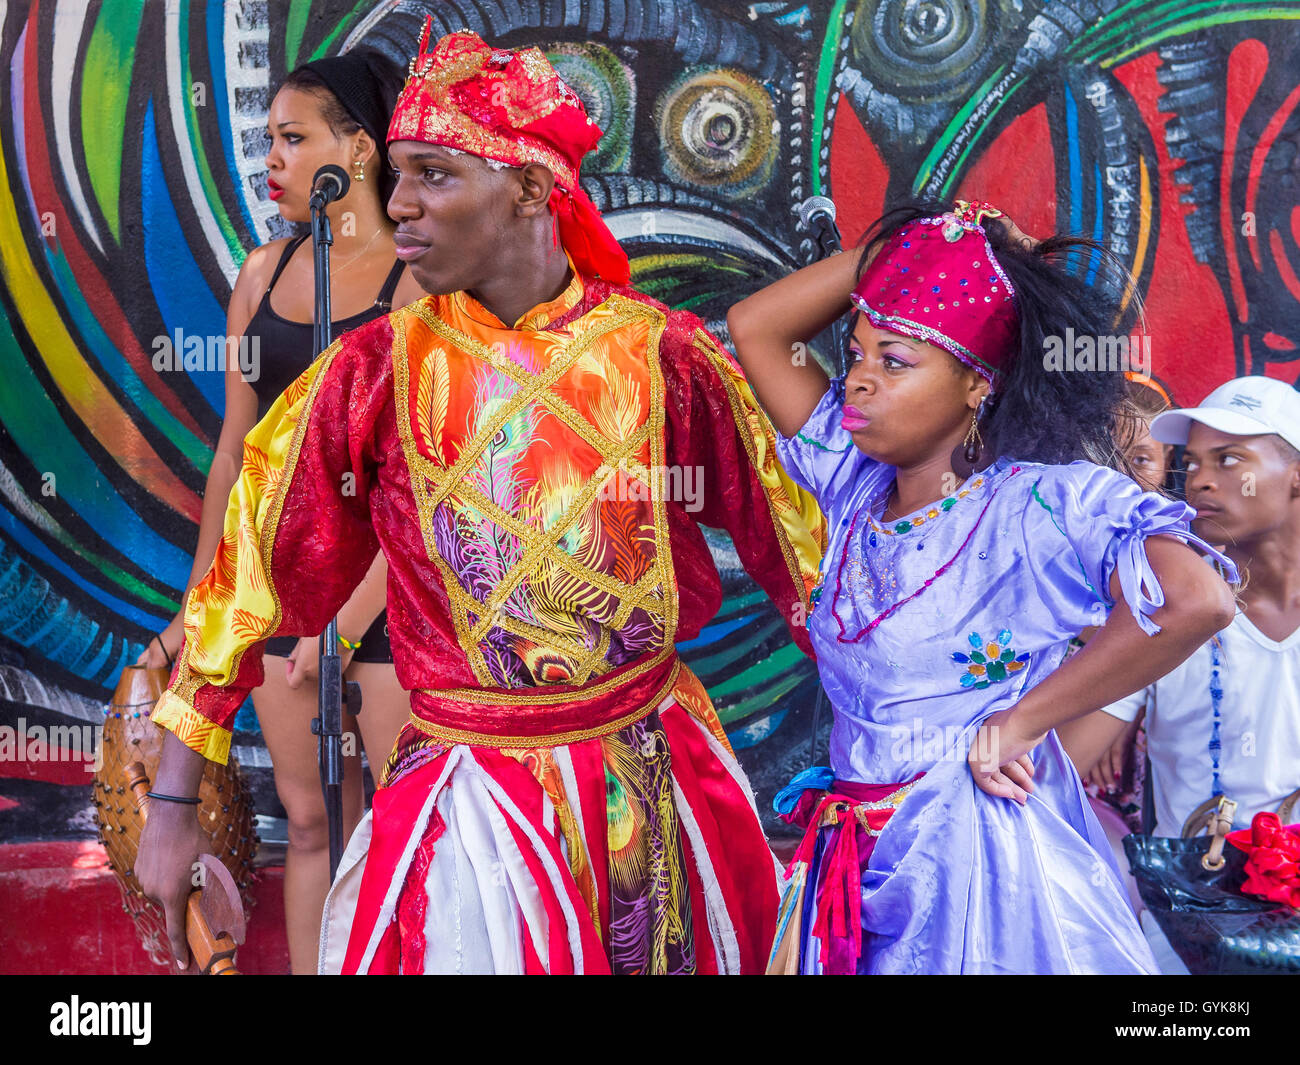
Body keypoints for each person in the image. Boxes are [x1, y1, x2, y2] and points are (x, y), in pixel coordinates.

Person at [136, 26, 825, 975]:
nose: (401, 201)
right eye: (399, 172)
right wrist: (175, 802)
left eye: (433, 175)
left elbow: (801, 554)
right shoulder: (370, 373)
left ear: (534, 190)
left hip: (651, 788)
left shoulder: (663, 355)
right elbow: (252, 563)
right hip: (468, 800)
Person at [727, 199, 1238, 974]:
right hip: (860, 858)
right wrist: (915, 245)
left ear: (976, 383)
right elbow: (759, 326)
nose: (858, 382)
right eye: (858, 353)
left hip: (978, 868)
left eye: (895, 361)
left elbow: (1197, 596)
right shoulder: (852, 478)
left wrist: (1024, 718)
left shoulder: (1038, 504)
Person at [134, 50, 425, 973]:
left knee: (403, 830)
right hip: (281, 598)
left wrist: (343, 624)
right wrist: (200, 608)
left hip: (386, 607)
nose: (274, 160)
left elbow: (420, 484)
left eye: (294, 141)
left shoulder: (416, 287)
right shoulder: (265, 271)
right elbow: (235, 452)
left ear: (360, 150)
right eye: (270, 141)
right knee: (310, 824)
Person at [1061, 376, 1300, 840]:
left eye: (1229, 459)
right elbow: (1056, 776)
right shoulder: (1162, 608)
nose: (1199, 480)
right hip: (1187, 906)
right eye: (1190, 462)